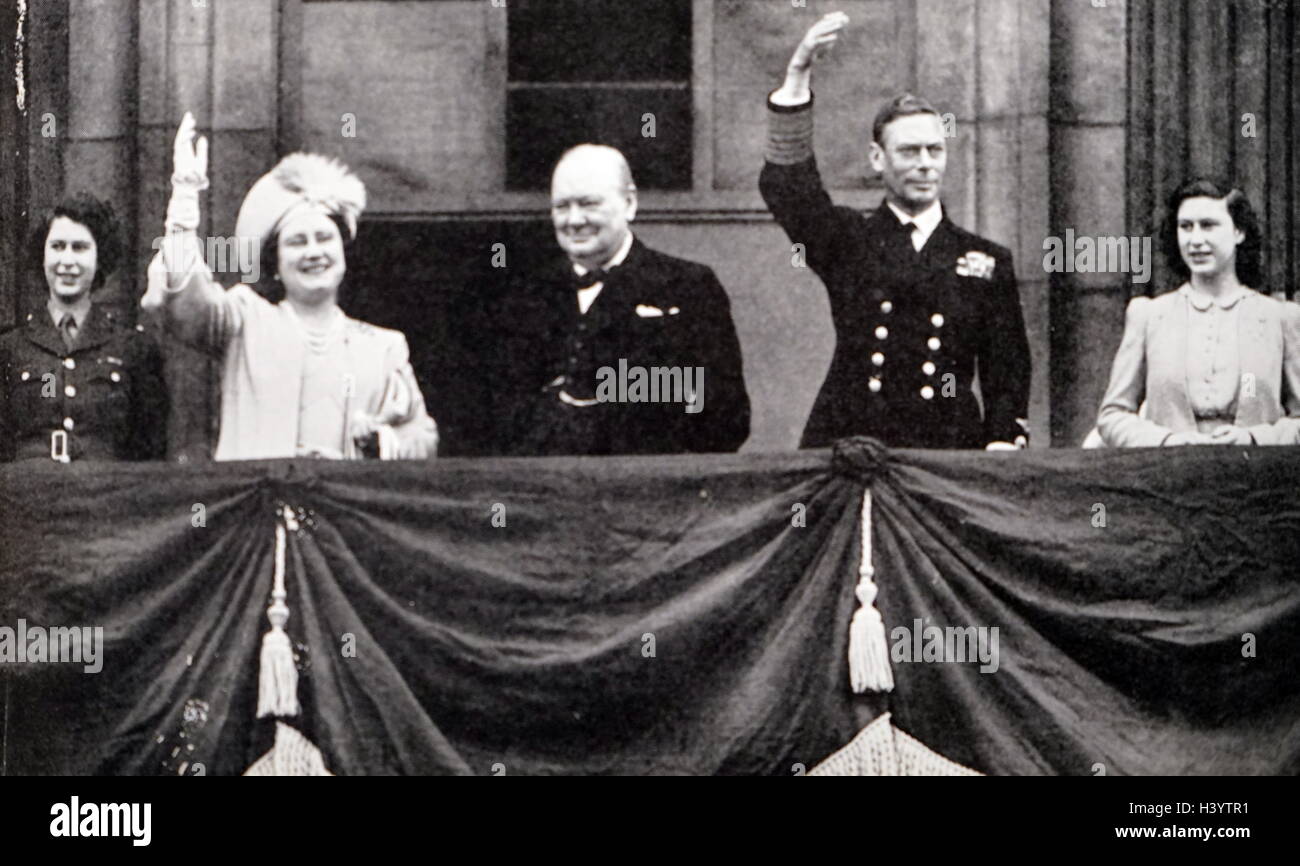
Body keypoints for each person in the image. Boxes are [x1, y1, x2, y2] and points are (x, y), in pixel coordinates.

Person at [759, 12, 1031, 450]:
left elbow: (1007, 368)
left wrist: (1002, 438)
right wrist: (798, 74)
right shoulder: (848, 240)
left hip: (947, 449)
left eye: (934, 150)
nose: (925, 164)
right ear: (877, 158)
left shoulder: (986, 259)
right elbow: (789, 192)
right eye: (908, 151)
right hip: (852, 445)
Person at [141, 113, 437, 461]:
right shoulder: (245, 321)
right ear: (276, 264)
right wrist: (183, 210)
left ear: (342, 251)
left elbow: (422, 437)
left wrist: (382, 441)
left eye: (324, 238)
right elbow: (185, 305)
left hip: (342, 512)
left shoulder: (384, 348)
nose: (314, 252)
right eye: (297, 242)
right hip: (260, 508)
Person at [495, 144, 750, 456]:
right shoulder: (525, 295)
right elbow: (501, 414)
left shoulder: (688, 286)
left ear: (629, 203)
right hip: (545, 492)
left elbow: (727, 418)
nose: (574, 220)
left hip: (645, 490)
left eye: (589, 204)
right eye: (562, 206)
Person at [1095, 179, 1300, 447]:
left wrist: (1254, 437)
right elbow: (1113, 416)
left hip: (1255, 482)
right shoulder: (1149, 315)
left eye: (1208, 226)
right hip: (1168, 480)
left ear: (1239, 232)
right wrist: (1167, 440)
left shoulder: (1279, 318)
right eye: (1186, 227)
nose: (1196, 240)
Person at [0, 193, 167, 462]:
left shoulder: (134, 349)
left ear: (100, 256)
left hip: (104, 499)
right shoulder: (10, 349)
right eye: (57, 246)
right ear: (42, 255)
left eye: (79, 247)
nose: (67, 260)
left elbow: (148, 457)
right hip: (31, 499)